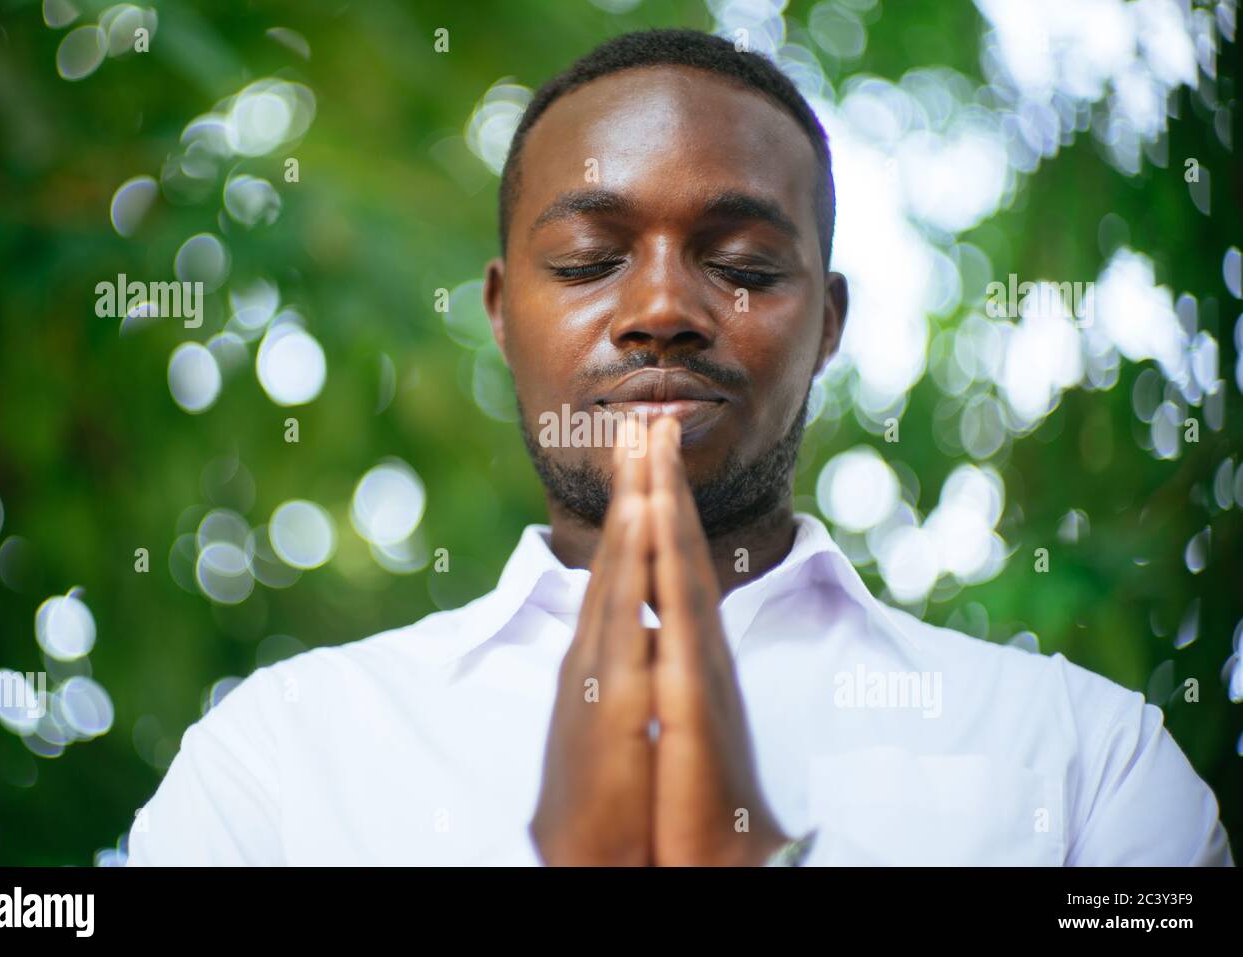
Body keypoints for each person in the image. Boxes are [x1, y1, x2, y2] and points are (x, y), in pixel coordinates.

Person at [127, 28, 1232, 867]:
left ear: (827, 323)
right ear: (504, 314)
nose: (661, 307)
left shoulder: (1088, 760)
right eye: (587, 260)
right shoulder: (276, 762)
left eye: (744, 266)